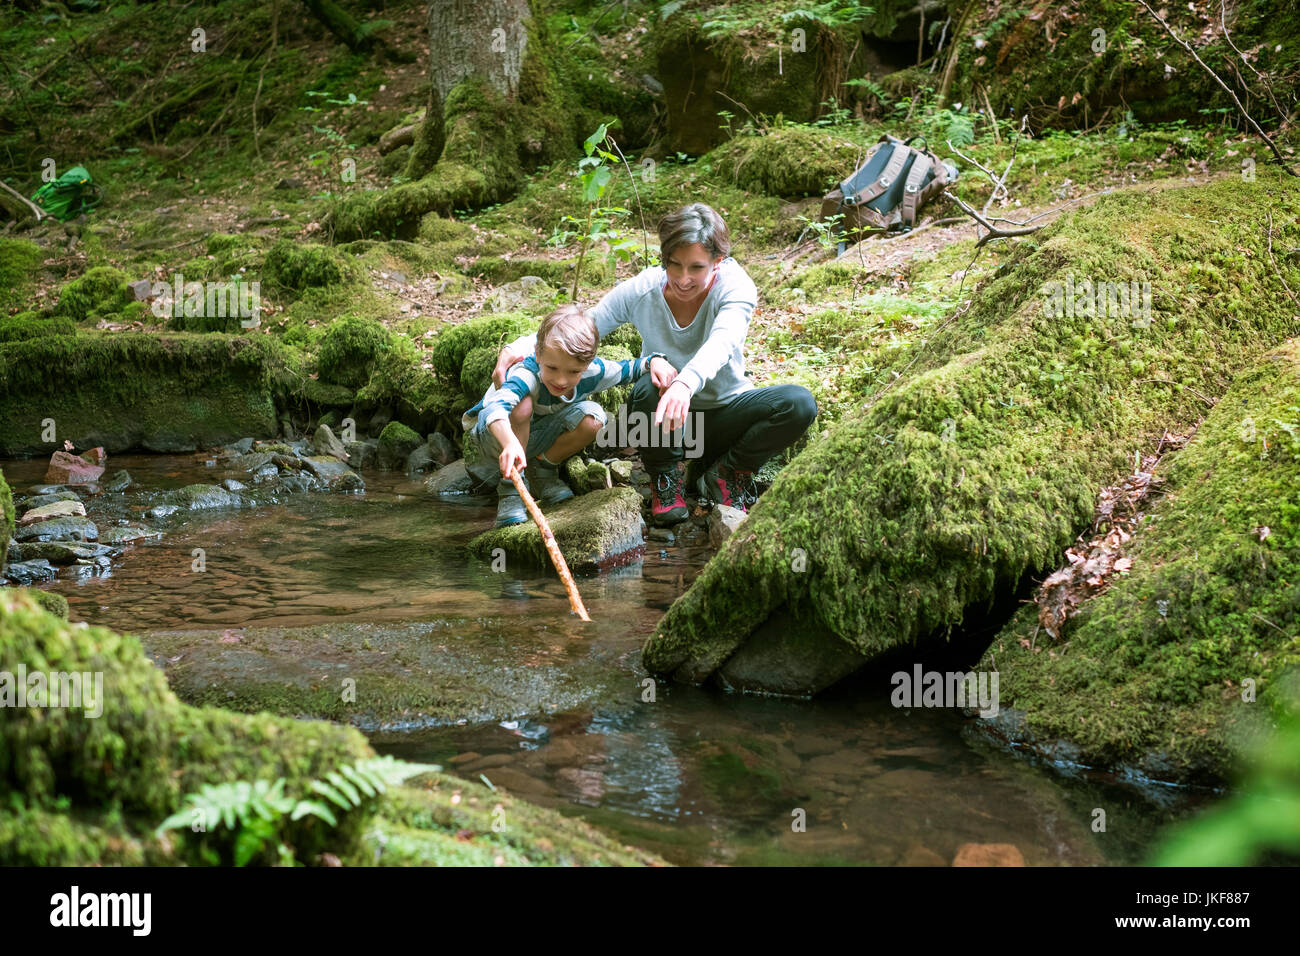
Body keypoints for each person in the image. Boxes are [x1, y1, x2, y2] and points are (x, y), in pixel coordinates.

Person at [493, 202, 818, 526]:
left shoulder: (736, 287)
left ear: (718, 262)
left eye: (696, 268)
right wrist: (517, 347)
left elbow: (722, 342)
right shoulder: (643, 289)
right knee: (649, 384)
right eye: (674, 265)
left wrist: (685, 383)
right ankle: (666, 480)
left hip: (724, 416)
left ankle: (725, 473)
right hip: (664, 423)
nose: (683, 278)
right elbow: (584, 324)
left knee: (798, 404)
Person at [464, 303, 668, 527]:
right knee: (521, 405)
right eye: (552, 368)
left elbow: (629, 369)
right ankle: (511, 489)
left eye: (573, 372)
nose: (561, 380)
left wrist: (654, 360)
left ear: (587, 364)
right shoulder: (526, 372)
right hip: (494, 438)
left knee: (594, 418)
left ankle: (541, 471)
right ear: (538, 354)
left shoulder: (594, 371)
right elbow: (495, 408)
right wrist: (510, 442)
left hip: (535, 439)